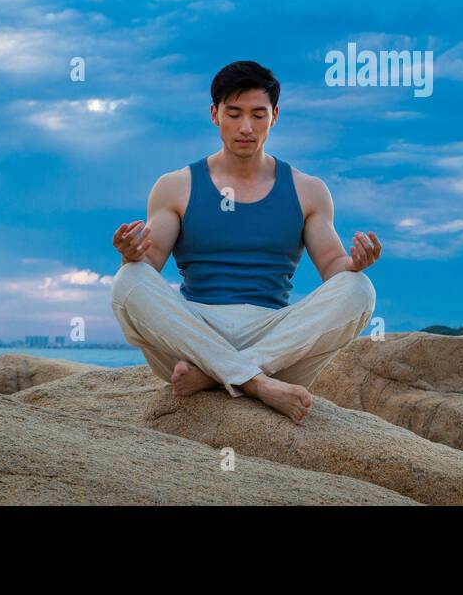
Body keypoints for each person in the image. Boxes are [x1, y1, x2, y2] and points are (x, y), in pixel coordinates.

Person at [109, 60, 381, 424]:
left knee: (359, 288)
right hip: (194, 331)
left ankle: (220, 373)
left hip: (274, 336)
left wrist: (355, 264)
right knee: (127, 280)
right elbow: (150, 262)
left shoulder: (307, 190)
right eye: (234, 114)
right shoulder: (175, 186)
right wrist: (132, 255)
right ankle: (256, 382)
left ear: (275, 116)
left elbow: (334, 267)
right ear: (214, 114)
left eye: (258, 114)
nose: (246, 128)